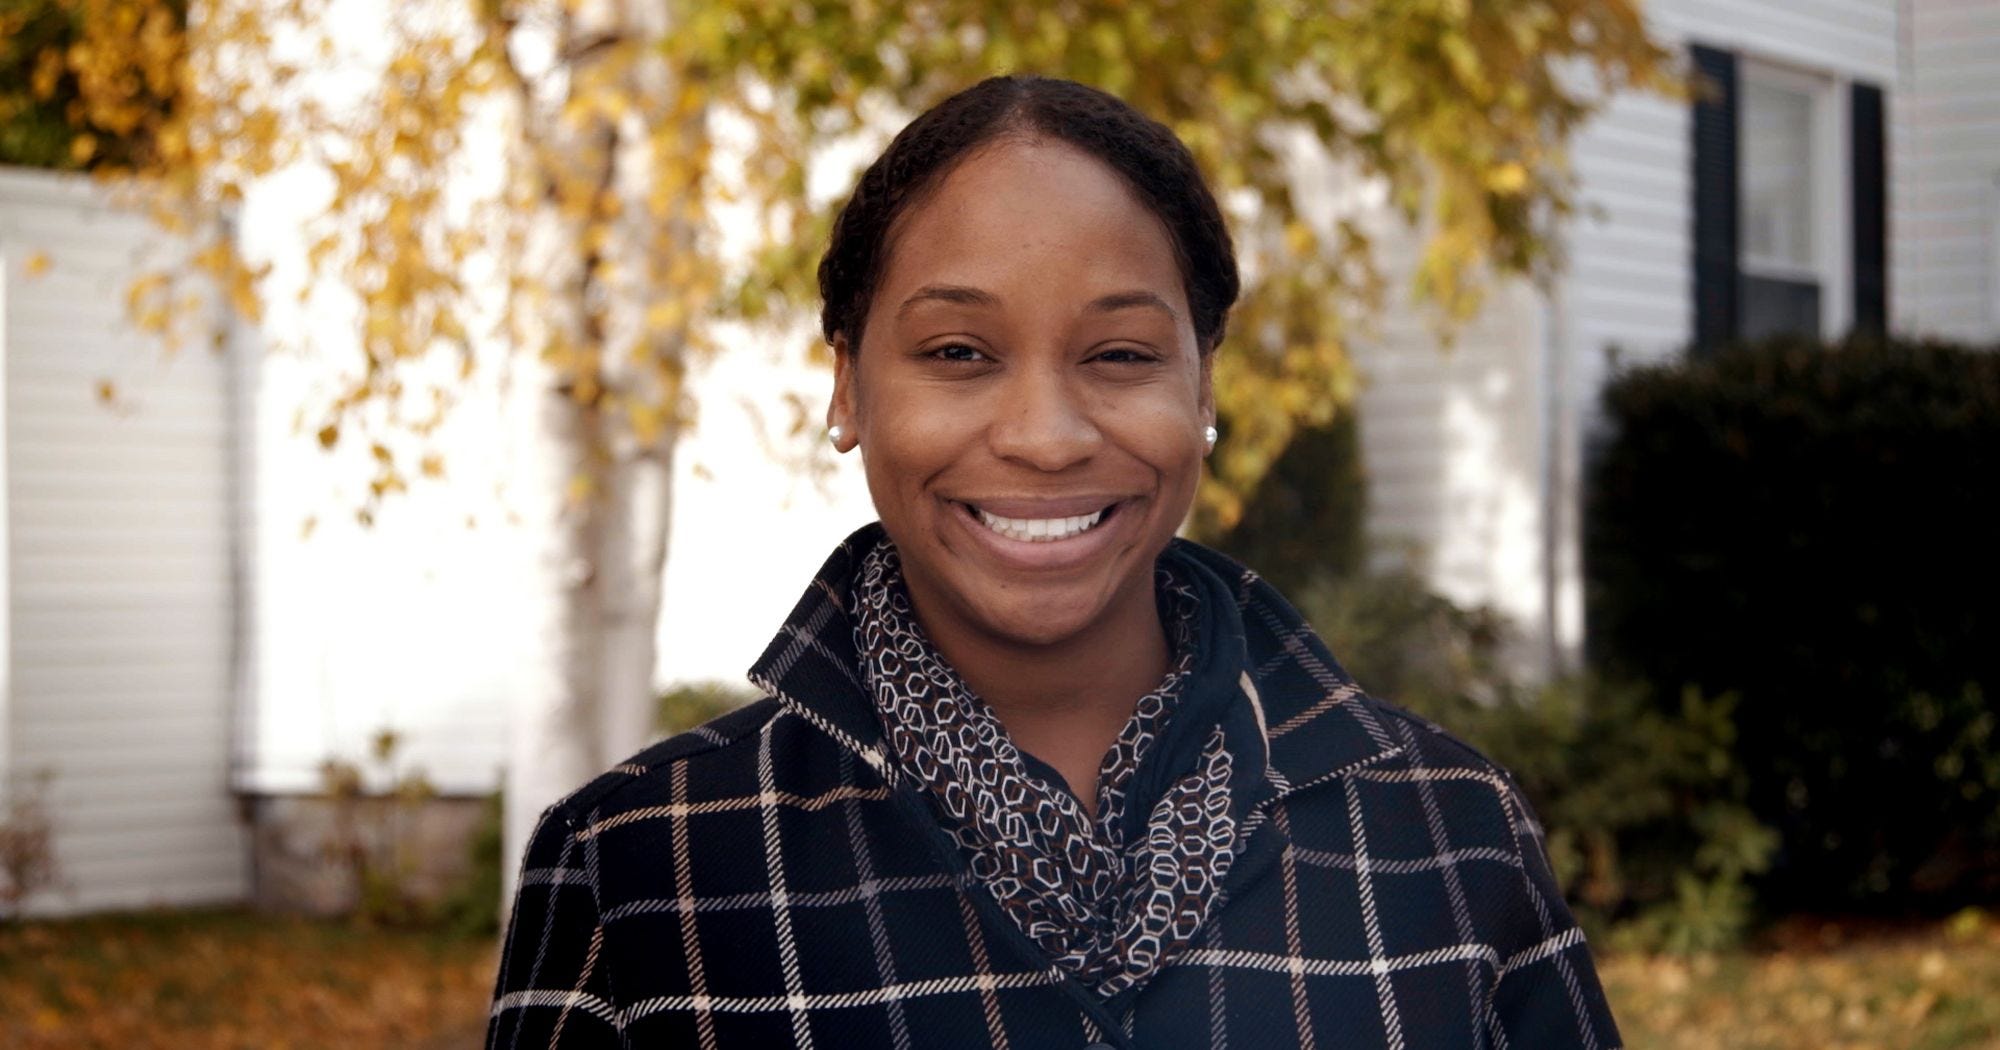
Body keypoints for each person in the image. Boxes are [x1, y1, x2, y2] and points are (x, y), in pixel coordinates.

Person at [487, 75, 1619, 1049]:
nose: (1046, 433)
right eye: (958, 352)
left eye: (1119, 353)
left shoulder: (1448, 833)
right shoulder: (645, 870)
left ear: (1201, 387)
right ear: (847, 383)